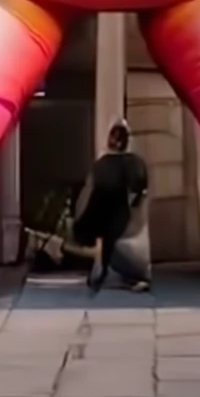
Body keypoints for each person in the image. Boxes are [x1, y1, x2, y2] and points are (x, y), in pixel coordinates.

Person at [72, 121, 151, 293]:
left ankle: (103, 272)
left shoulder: (102, 165)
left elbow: (90, 191)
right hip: (123, 218)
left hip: (106, 218)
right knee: (121, 249)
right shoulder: (134, 163)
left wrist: (79, 217)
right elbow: (140, 189)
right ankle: (121, 274)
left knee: (107, 247)